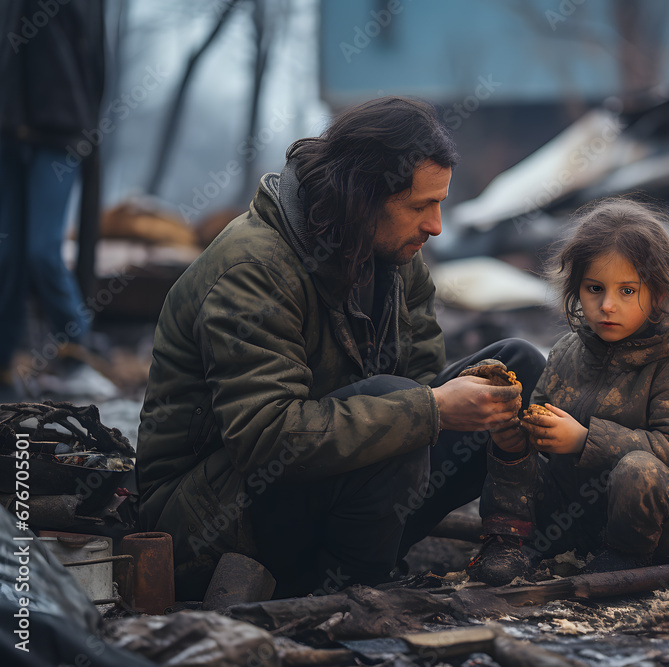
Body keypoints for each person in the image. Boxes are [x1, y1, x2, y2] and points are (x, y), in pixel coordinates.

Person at [135, 97, 545, 600]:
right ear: (361, 198)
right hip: (211, 519)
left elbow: (422, 378)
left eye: (440, 204)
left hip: (328, 489)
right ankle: (347, 591)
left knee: (518, 365)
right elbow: (266, 440)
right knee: (408, 410)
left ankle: (513, 538)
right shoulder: (253, 271)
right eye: (419, 206)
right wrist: (429, 408)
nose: (436, 225)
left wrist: (438, 405)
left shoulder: (393, 254)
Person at [468, 197, 669, 586]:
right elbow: (538, 431)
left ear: (659, 295)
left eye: (627, 291)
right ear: (577, 290)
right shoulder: (565, 354)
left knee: (639, 469)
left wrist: (584, 440)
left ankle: (626, 557)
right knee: (510, 448)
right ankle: (507, 542)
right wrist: (520, 433)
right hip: (584, 519)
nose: (608, 305)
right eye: (595, 288)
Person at [0, 1, 109, 402]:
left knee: (40, 251)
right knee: (6, 255)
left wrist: (89, 124)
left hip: (62, 129)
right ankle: (2, 369)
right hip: (8, 128)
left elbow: (96, 58)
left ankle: (79, 355)